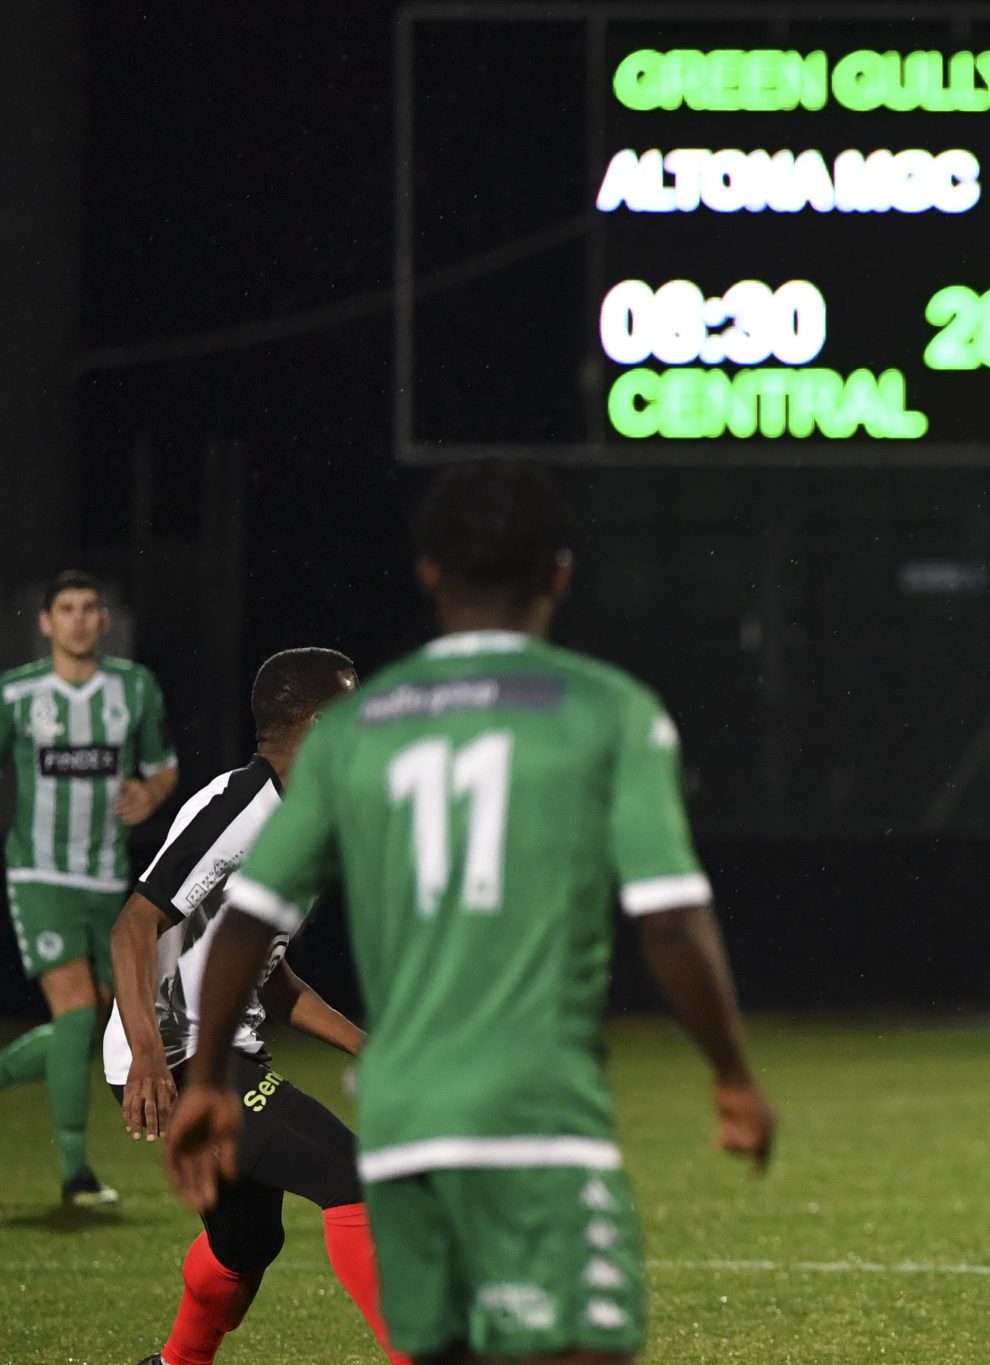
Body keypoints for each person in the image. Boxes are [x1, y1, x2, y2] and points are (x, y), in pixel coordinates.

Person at [166, 460, 775, 1365]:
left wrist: (207, 1076)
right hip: (540, 1104)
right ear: (561, 574)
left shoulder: (359, 733)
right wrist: (730, 1069)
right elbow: (671, 922)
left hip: (411, 1112)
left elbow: (245, 924)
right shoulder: (610, 710)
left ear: (429, 572)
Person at [107, 647, 409, 1365]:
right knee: (351, 1177)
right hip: (180, 1059)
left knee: (246, 1245)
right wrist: (148, 1055)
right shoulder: (245, 806)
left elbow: (271, 981)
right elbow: (132, 926)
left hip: (219, 1052)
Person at [0, 569, 179, 1205]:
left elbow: (162, 768)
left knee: (94, 1020)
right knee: (77, 1009)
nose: (78, 619)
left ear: (104, 620)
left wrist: (150, 792)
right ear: (45, 622)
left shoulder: (134, 689)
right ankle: (76, 1173)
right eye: (65, 609)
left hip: (106, 877)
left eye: (89, 608)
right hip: (40, 873)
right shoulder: (17, 695)